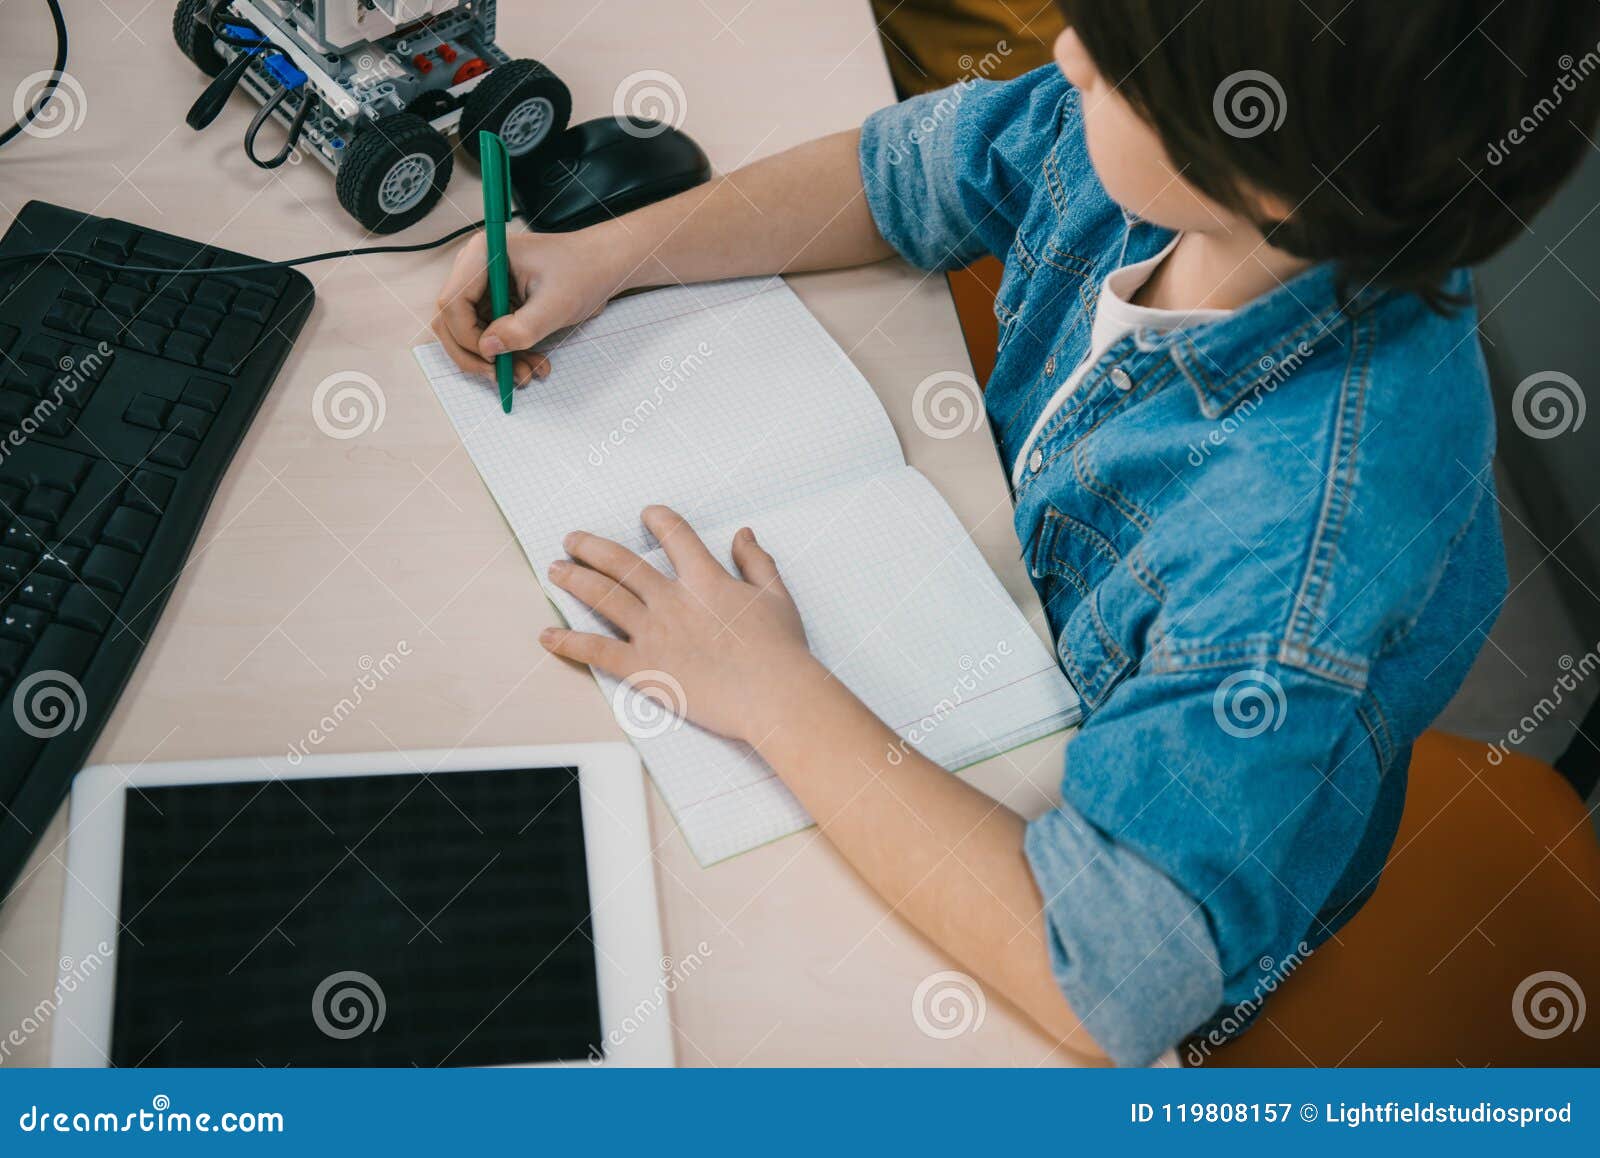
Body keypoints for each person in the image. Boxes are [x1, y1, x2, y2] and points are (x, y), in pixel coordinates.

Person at [431, 1, 1600, 1064]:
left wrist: (768, 690)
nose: (1066, 52)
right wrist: (612, 255)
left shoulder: (1294, 548)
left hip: (1141, 895)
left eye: (1119, 65)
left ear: (1266, 166)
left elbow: (1111, 982)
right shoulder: (1186, 178)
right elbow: (903, 176)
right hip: (1006, 648)